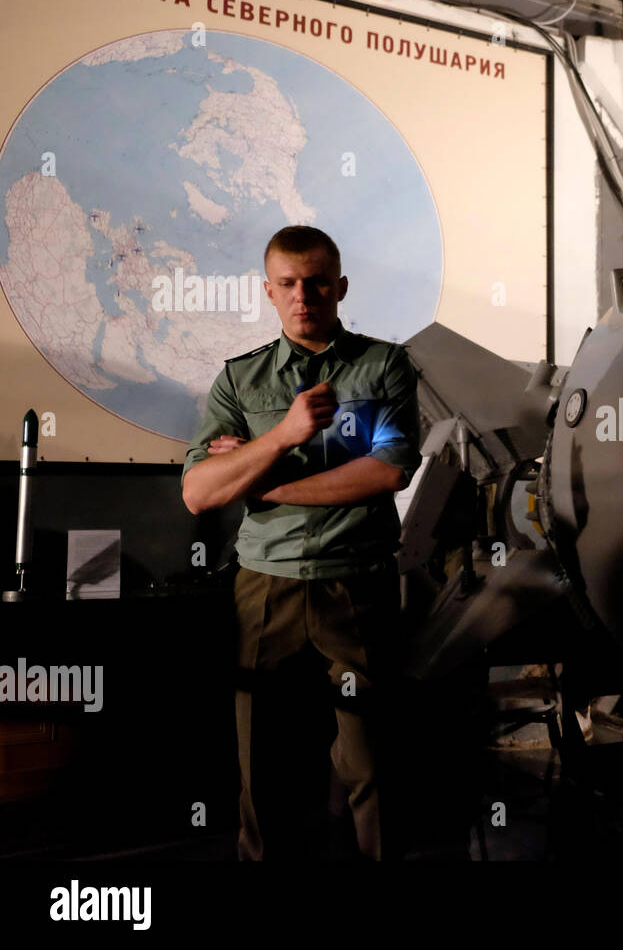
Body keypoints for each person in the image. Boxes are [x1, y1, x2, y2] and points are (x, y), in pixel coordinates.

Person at [181, 226, 424, 860]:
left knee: (374, 768)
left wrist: (263, 483)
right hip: (267, 591)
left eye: (317, 281)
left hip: (358, 586)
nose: (303, 296)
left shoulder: (384, 366)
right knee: (263, 769)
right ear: (268, 291)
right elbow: (200, 492)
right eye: (287, 284)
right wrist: (282, 435)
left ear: (339, 286)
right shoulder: (240, 380)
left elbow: (388, 471)